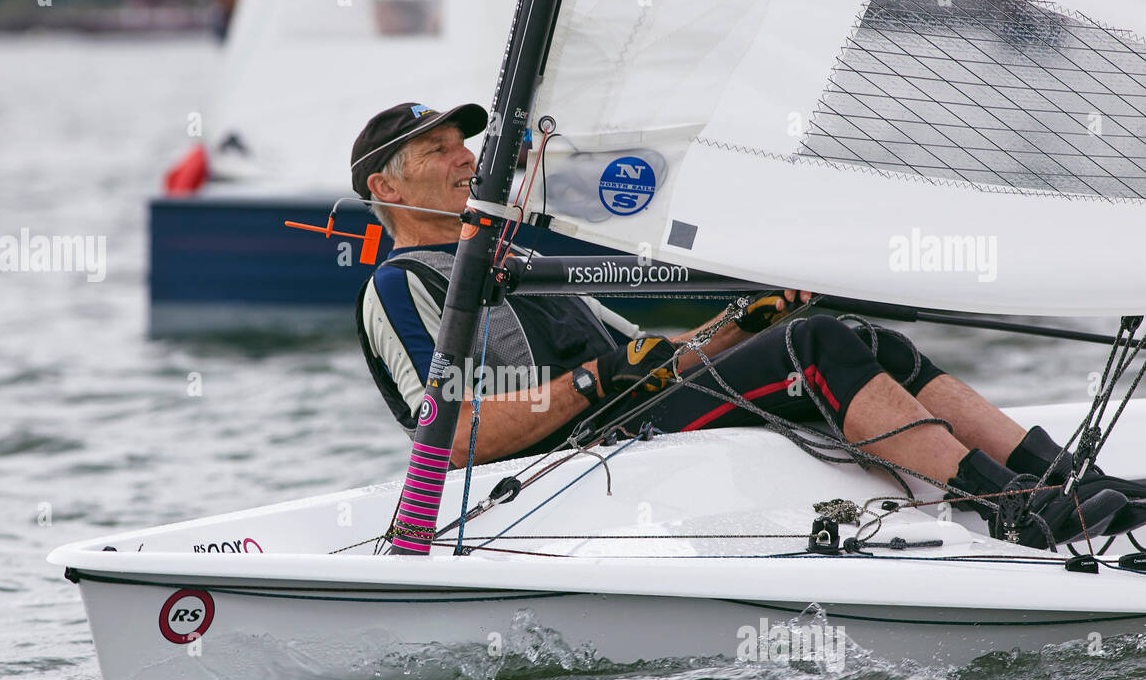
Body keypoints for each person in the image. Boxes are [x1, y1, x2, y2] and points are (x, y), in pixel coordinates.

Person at [351, 102, 1145, 549]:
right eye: (439, 149)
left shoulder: (514, 262)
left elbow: (659, 361)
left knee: (854, 336)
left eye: (466, 144)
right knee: (812, 352)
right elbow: (449, 438)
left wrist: (740, 323)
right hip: (563, 473)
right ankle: (1013, 508)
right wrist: (597, 378)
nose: (469, 160)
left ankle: (1069, 481)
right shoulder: (398, 286)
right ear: (386, 184)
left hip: (623, 433)